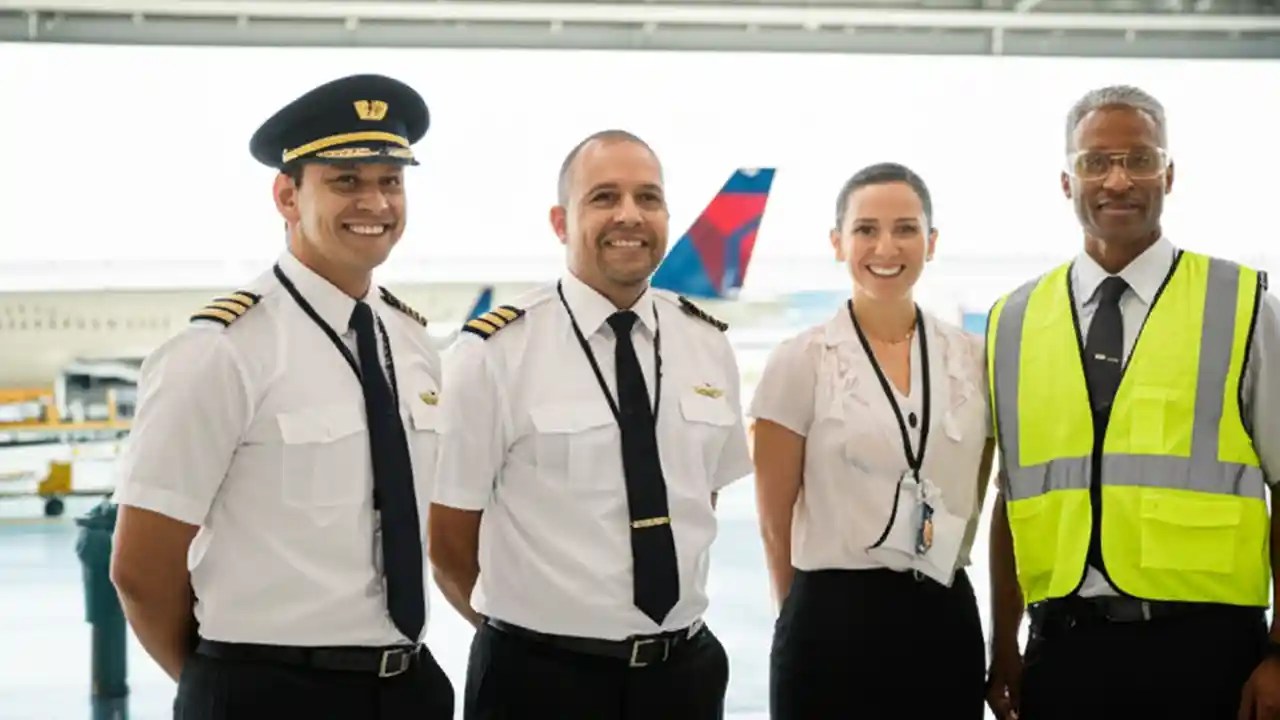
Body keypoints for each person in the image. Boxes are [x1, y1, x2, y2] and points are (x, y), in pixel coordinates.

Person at [108, 73, 454, 719]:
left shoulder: (411, 345)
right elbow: (140, 569)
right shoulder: (221, 352)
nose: (375, 202)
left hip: (410, 685)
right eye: (346, 181)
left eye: (390, 180)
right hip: (266, 688)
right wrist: (222, 688)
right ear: (287, 196)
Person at [428, 129, 752, 720]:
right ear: (560, 221)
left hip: (682, 677)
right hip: (539, 681)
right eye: (604, 197)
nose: (629, 215)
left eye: (648, 198)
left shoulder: (707, 346)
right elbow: (448, 539)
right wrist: (533, 632)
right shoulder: (495, 353)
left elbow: (695, 499)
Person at [984, 84, 1280, 720]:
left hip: (1209, 652)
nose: (1118, 180)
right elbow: (1010, 499)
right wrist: (1002, 644)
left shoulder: (1244, 307)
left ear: (1168, 174)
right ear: (1067, 181)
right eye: (1096, 162)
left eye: (1139, 160)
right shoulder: (1011, 322)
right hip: (1062, 653)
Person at [748, 162, 994, 718]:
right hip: (831, 621)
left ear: (931, 242)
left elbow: (977, 484)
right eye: (866, 229)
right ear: (838, 243)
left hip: (943, 611)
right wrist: (799, 618)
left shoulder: (971, 360)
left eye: (906, 228)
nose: (886, 245)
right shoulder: (802, 360)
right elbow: (773, 519)